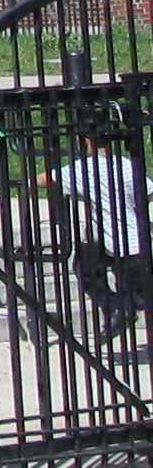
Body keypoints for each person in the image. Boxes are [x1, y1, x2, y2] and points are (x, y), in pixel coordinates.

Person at [46, 118, 153, 338]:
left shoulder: (83, 169)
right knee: (86, 262)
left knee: (90, 272)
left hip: (116, 243)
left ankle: (120, 306)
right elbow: (148, 192)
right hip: (134, 241)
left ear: (88, 141)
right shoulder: (125, 165)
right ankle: (120, 305)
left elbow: (45, 179)